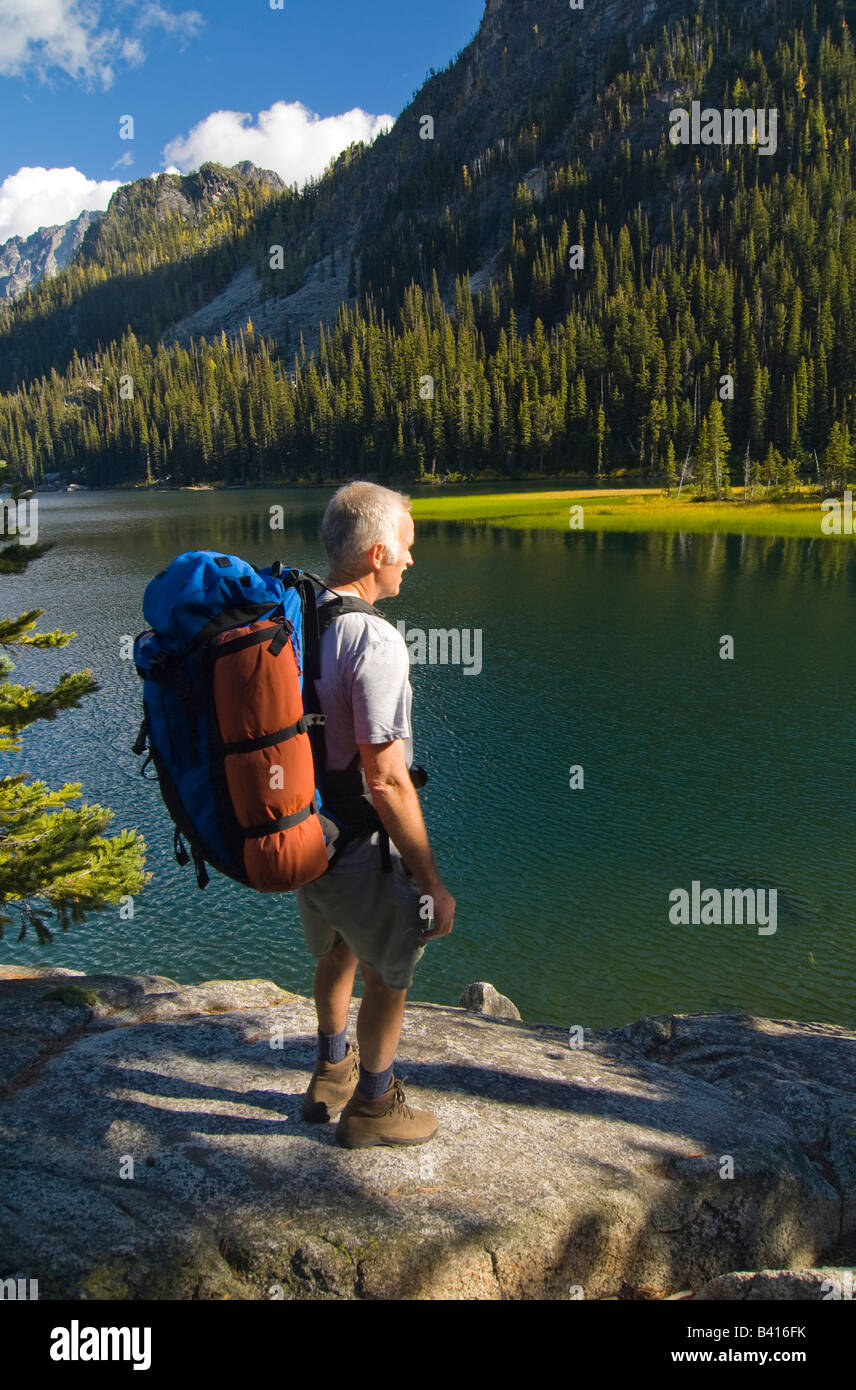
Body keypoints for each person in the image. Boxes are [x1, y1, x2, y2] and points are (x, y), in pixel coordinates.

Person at [296, 480, 456, 1147]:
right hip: (356, 841)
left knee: (334, 950)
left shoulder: (295, 615)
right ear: (378, 550)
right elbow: (386, 779)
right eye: (407, 549)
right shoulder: (375, 642)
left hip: (301, 831)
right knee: (390, 971)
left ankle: (331, 1071)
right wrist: (431, 883)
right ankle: (373, 1106)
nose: (410, 563)